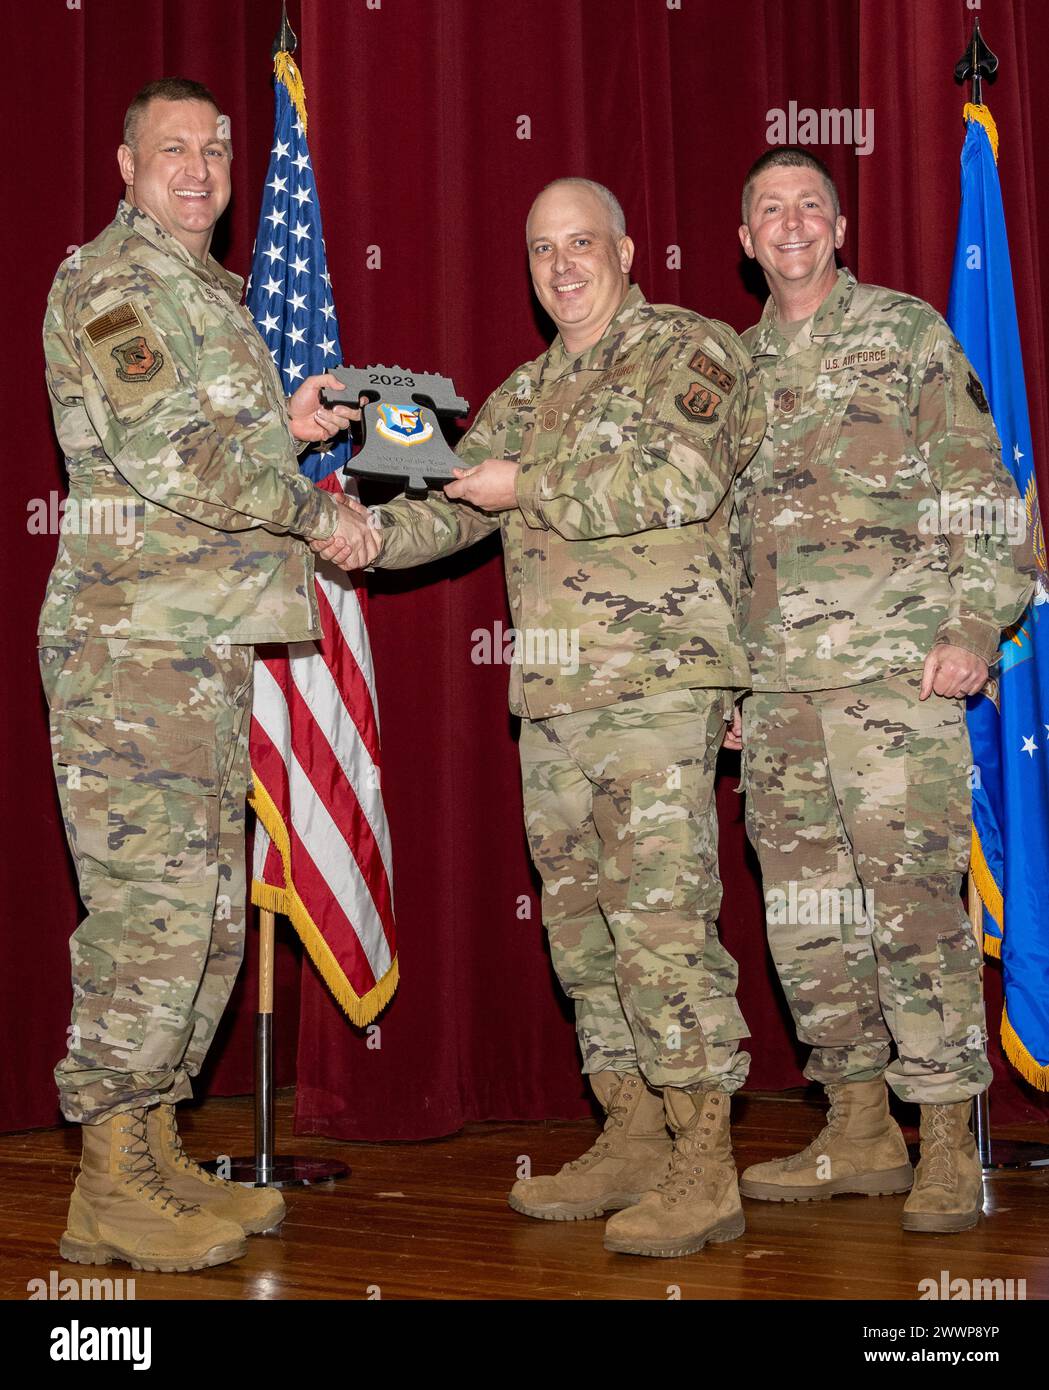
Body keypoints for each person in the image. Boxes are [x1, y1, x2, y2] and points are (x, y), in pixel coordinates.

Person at [345, 177, 765, 1258]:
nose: (563, 265)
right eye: (541, 250)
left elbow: (672, 473)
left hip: (654, 687)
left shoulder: (691, 347)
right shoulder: (528, 388)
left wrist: (518, 480)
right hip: (552, 699)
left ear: (625, 248)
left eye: (581, 243)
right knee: (583, 933)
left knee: (661, 927)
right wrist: (357, 537)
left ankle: (701, 1161)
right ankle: (627, 1131)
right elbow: (451, 502)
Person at [41, 77, 376, 1273]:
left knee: (203, 927)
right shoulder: (111, 283)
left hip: (199, 646)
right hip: (133, 651)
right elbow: (172, 453)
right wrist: (315, 514)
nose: (199, 168)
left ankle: (157, 1150)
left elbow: (215, 435)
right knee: (148, 924)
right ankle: (105, 1187)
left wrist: (285, 423)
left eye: (216, 149)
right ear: (125, 165)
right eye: (171, 149)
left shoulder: (209, 298)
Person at [726, 146, 1034, 1232]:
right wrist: (727, 674)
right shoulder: (732, 369)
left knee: (911, 918)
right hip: (776, 702)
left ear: (839, 229)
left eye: (810, 206)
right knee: (808, 922)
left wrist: (967, 628)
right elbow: (720, 539)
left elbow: (984, 495)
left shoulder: (904, 333)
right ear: (745, 238)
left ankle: (945, 1135)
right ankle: (855, 1126)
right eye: (770, 210)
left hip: (895, 689)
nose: (791, 223)